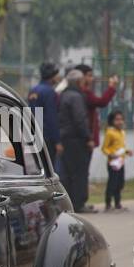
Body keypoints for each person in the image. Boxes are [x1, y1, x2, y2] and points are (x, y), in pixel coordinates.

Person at [57, 69, 94, 212]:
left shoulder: (62, 95)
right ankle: (79, 204)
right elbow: (80, 120)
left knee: (66, 173)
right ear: (79, 82)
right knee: (79, 173)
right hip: (76, 140)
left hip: (64, 139)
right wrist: (88, 137)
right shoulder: (76, 97)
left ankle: (68, 204)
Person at [27, 62, 60, 173]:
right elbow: (51, 118)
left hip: (35, 133)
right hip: (47, 138)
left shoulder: (34, 90)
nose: (58, 77)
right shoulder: (50, 92)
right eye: (56, 75)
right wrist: (57, 140)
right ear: (51, 76)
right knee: (49, 169)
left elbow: (34, 113)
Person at [78, 64, 118, 152]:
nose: (92, 79)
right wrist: (111, 87)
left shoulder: (82, 92)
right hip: (84, 138)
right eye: (89, 76)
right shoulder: (84, 92)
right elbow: (101, 102)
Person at [101, 110, 133, 212]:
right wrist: (111, 154)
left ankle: (118, 204)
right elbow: (104, 148)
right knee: (112, 183)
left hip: (121, 161)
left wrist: (127, 151)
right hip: (113, 163)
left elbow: (121, 147)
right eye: (117, 120)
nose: (120, 122)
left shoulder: (122, 133)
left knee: (120, 183)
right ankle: (108, 204)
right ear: (112, 121)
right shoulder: (110, 133)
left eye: (121, 119)